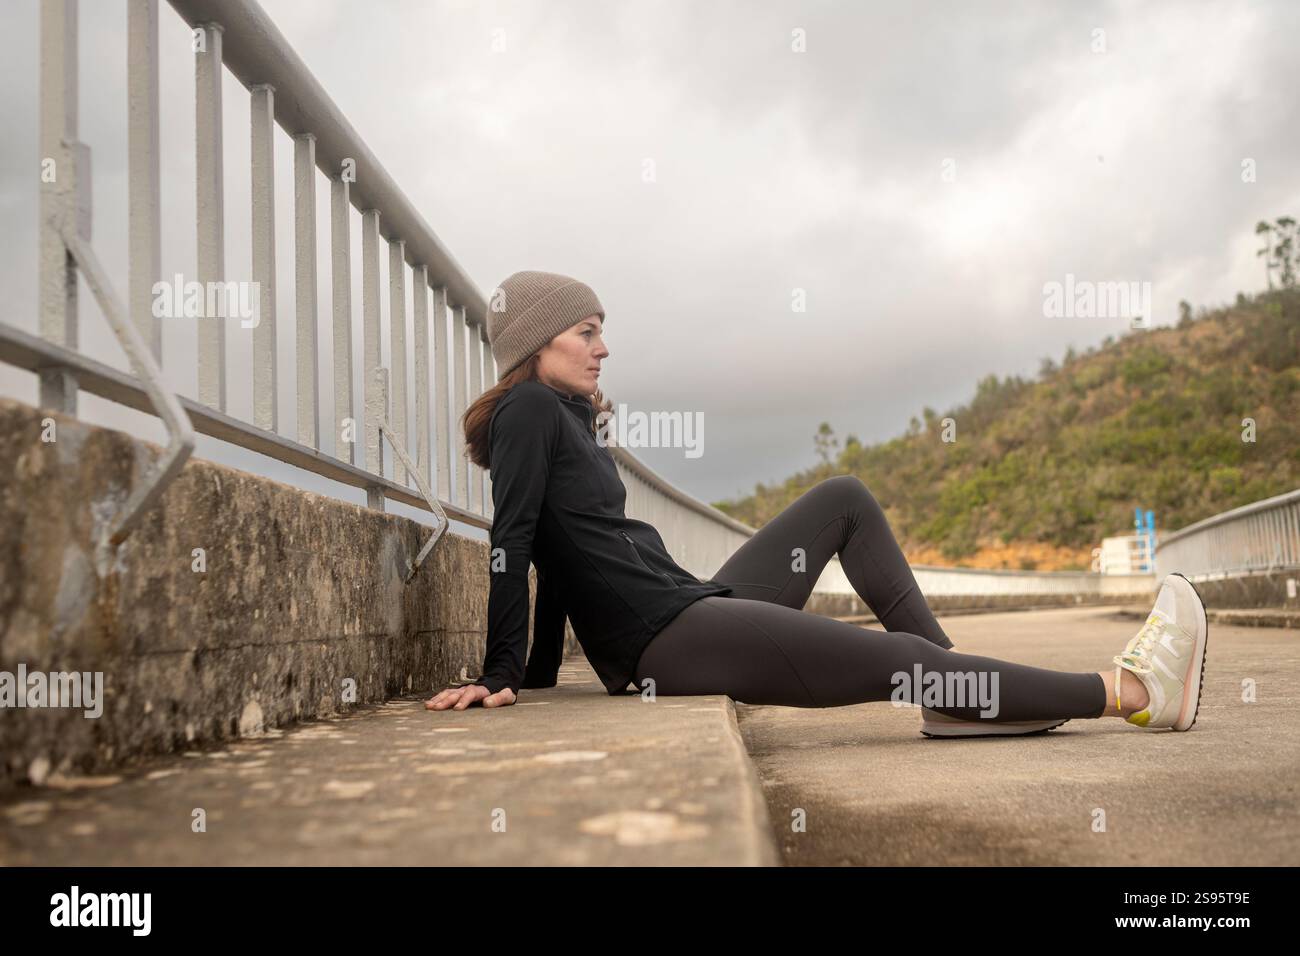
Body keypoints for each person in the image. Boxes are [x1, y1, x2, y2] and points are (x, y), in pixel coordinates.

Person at [425, 270, 1209, 737]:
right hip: (666, 641)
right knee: (899, 662)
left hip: (684, 609)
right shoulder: (527, 411)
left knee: (845, 499)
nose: (604, 348)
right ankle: (1132, 694)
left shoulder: (564, 418)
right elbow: (516, 537)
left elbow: (564, 557)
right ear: (537, 345)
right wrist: (504, 668)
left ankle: (957, 694)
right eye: (588, 332)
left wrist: (535, 673)